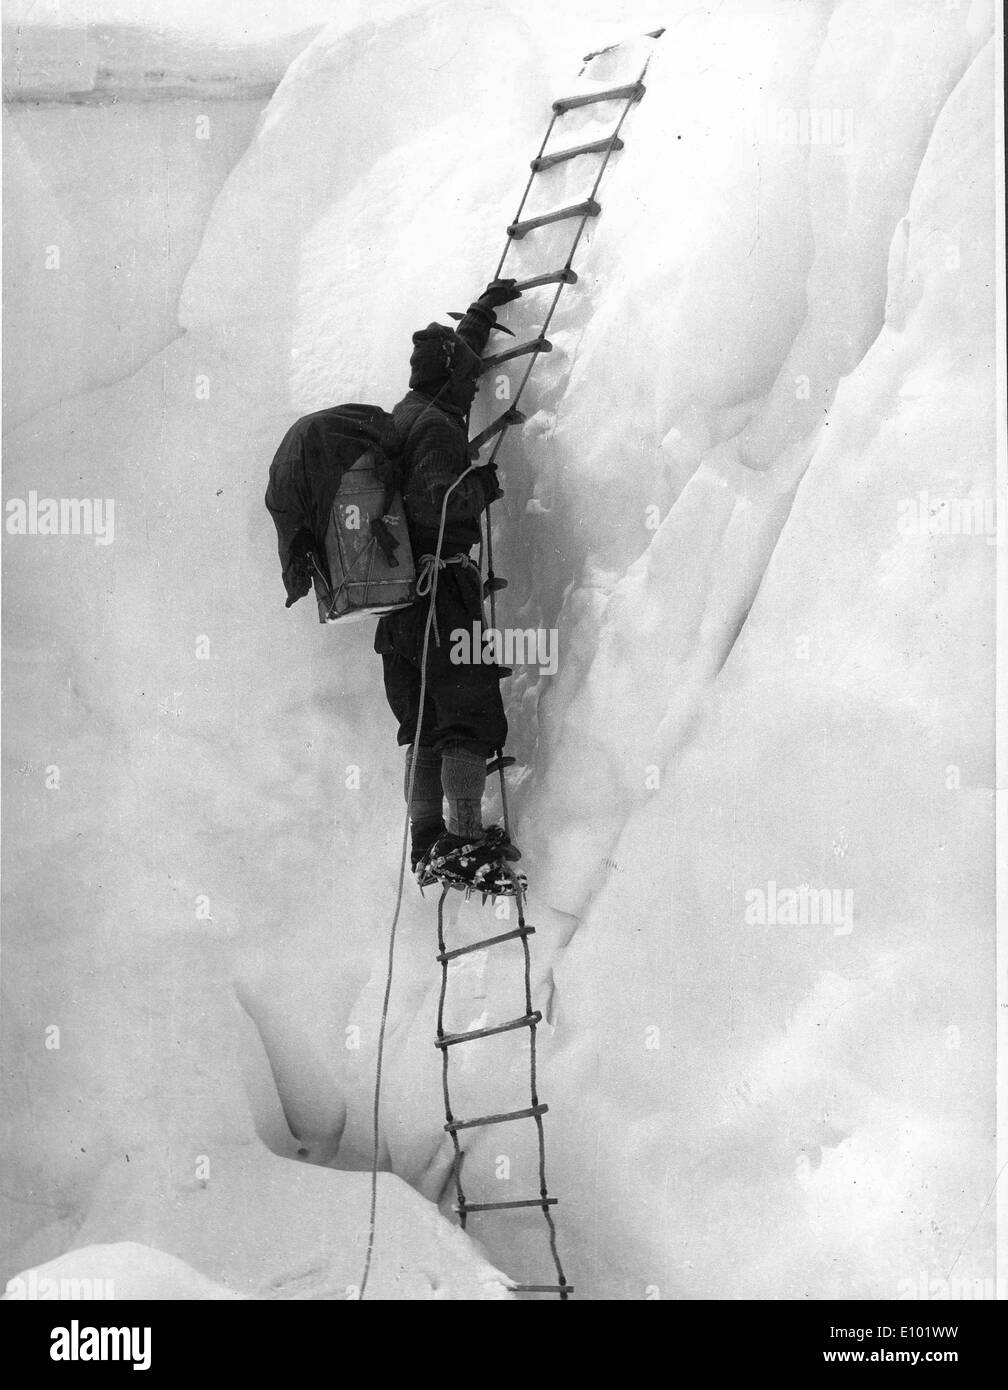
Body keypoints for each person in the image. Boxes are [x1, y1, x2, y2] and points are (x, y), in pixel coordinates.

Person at [374, 277, 522, 889]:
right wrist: (483, 486)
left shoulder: (408, 415)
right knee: (466, 709)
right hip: (443, 599)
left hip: (401, 609)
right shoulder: (435, 429)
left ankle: (428, 842)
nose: (472, 384)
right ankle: (465, 841)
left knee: (427, 721)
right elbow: (441, 505)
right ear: (449, 379)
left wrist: (481, 315)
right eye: (465, 376)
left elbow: (449, 362)